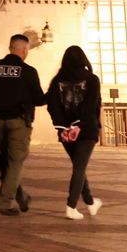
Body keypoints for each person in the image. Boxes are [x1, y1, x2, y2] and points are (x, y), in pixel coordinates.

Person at [0, 34, 46, 215]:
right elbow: (39, 99)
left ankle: (21, 196)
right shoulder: (28, 71)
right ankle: (5, 202)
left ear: (10, 48)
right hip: (19, 122)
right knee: (16, 161)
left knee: (9, 162)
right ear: (24, 50)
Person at [46, 45, 104, 220]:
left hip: (66, 133)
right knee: (79, 167)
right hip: (86, 130)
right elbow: (90, 105)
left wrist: (62, 127)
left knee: (79, 166)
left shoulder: (57, 81)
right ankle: (71, 206)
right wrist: (77, 125)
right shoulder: (92, 79)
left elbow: (53, 106)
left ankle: (90, 203)